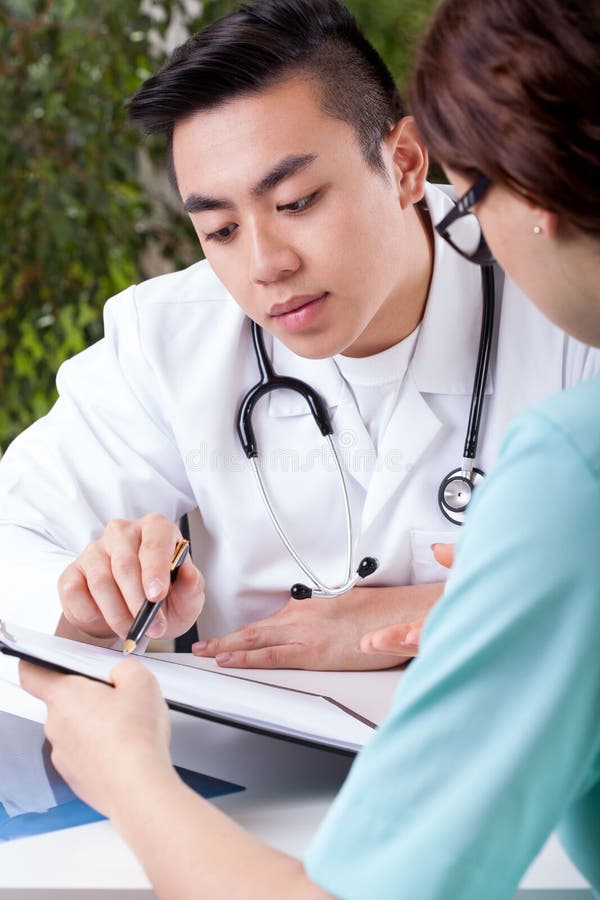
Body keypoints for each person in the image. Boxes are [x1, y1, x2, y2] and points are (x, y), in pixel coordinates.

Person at [19, 0, 600, 895]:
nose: (264, 262)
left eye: (296, 202)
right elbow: (12, 537)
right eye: (217, 229)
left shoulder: (556, 289)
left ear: (406, 163)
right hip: (253, 809)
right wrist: (89, 598)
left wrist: (448, 606)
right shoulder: (167, 338)